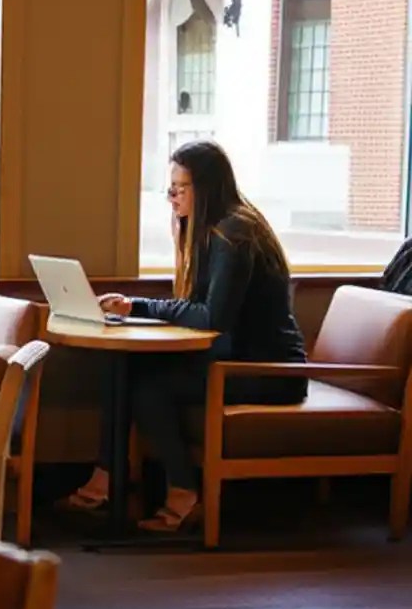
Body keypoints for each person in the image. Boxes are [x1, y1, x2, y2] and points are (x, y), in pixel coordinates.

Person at [61, 140, 307, 533]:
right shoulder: (210, 231)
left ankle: (184, 493)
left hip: (267, 371)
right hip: (232, 358)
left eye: (180, 188)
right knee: (120, 367)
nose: (172, 197)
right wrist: (134, 306)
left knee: (149, 389)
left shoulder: (235, 235)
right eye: (170, 188)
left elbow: (212, 318)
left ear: (206, 188)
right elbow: (198, 309)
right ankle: (108, 480)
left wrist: (138, 306)